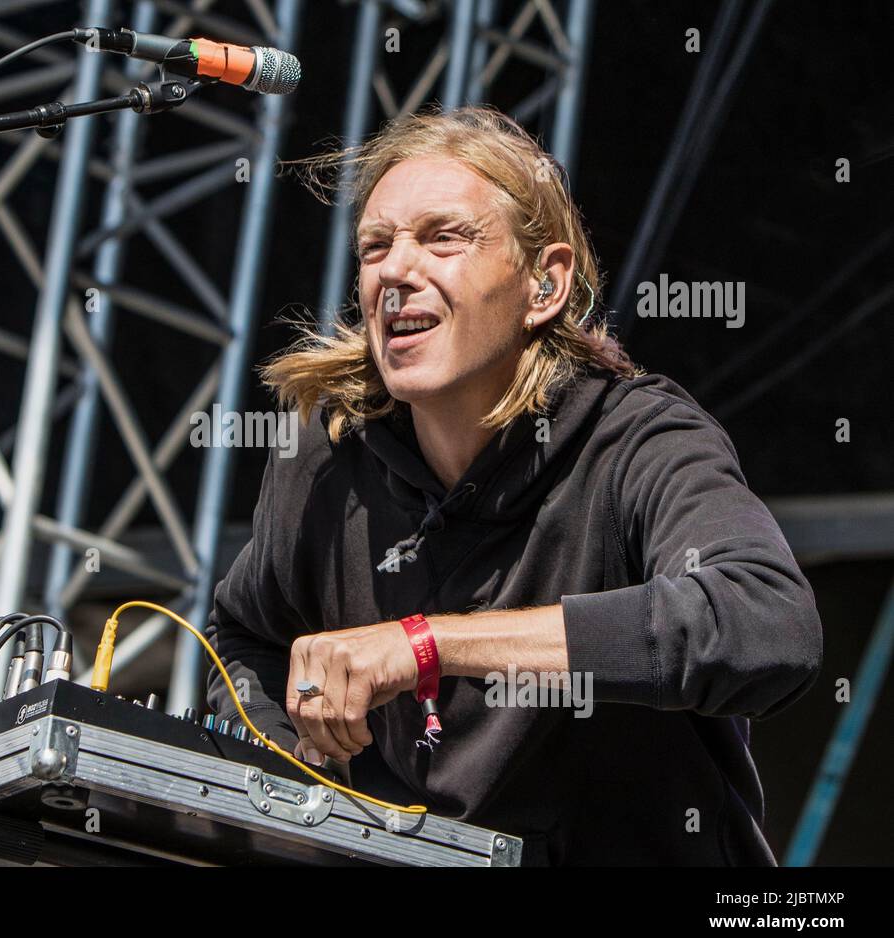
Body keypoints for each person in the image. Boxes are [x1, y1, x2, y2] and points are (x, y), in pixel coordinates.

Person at [204, 106, 822, 865]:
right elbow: (245, 638)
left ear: (544, 284)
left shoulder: (638, 438)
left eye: (443, 237)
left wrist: (429, 646)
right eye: (375, 247)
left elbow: (766, 623)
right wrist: (325, 777)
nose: (395, 271)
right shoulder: (325, 460)